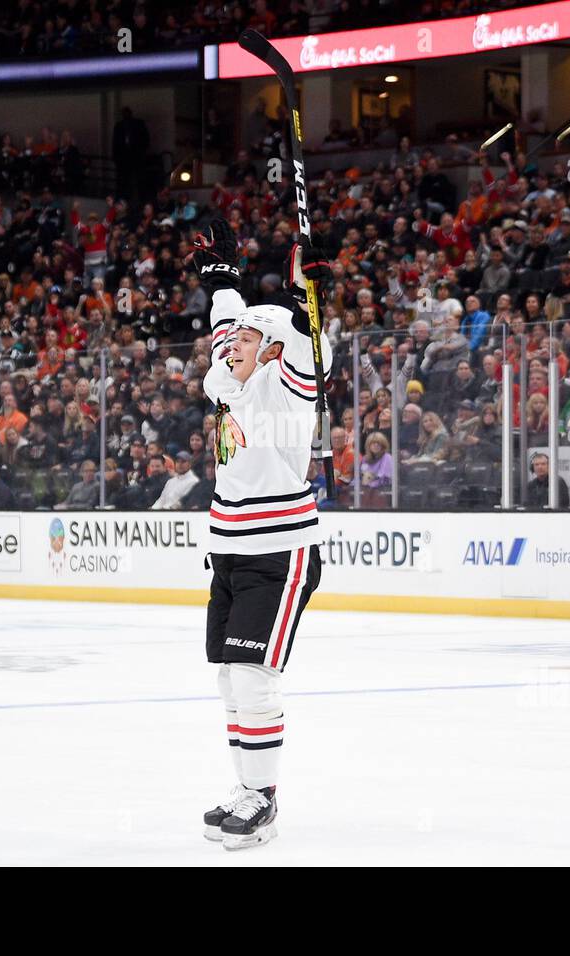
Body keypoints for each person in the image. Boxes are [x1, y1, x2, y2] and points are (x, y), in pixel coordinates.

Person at [192, 219, 331, 851]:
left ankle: (265, 801)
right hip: (229, 549)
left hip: (279, 551)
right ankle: (248, 787)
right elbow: (225, 320)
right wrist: (221, 277)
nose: (231, 344)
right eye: (232, 338)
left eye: (248, 337)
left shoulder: (289, 389)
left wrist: (305, 301)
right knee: (228, 674)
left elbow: (304, 342)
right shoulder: (232, 373)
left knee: (252, 673)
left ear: (273, 348)